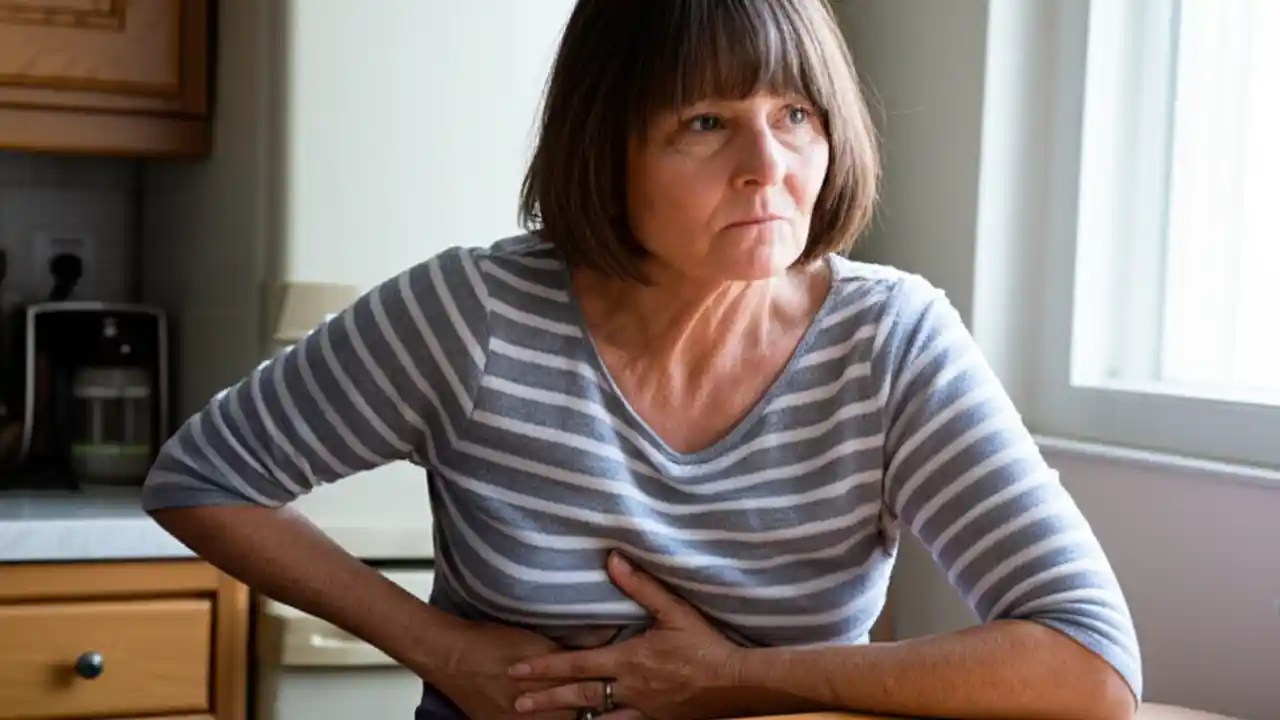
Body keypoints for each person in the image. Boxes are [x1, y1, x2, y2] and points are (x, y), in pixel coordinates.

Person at [141, 0, 1142, 718]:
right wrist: (444, 651)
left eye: (794, 115)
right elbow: (202, 478)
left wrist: (729, 680)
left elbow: (1086, 666)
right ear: (603, 150)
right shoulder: (470, 314)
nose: (767, 166)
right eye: (704, 123)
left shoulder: (891, 340)